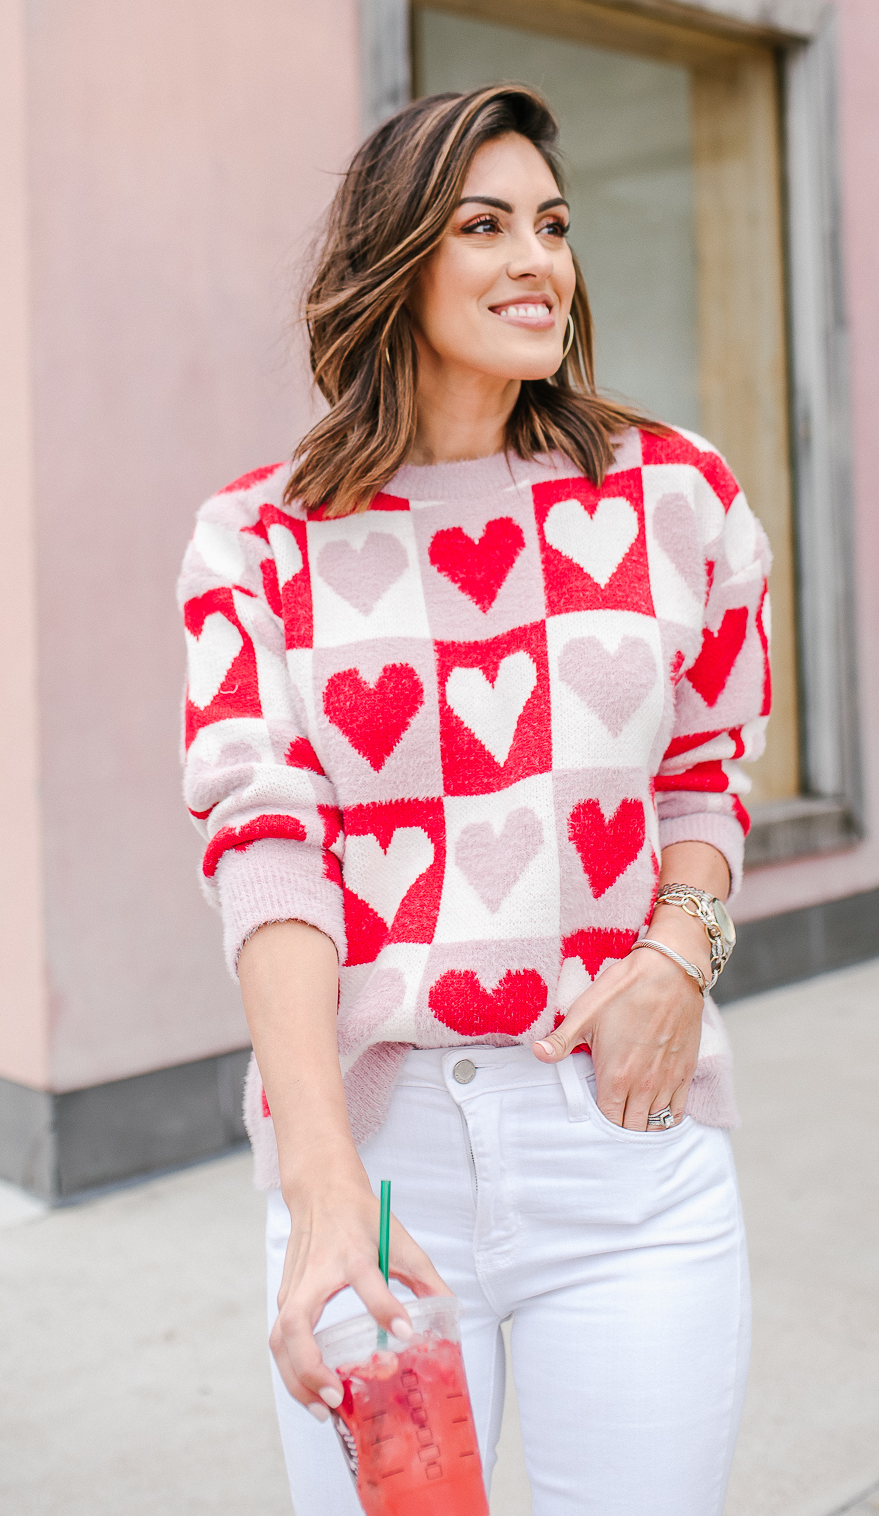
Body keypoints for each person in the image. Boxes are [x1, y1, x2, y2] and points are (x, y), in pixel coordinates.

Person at [179, 85, 770, 1515]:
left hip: (621, 1159)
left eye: (553, 226)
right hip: (375, 1184)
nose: (537, 261)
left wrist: (675, 954)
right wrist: (320, 1184)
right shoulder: (257, 537)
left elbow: (707, 768)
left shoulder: (670, 496)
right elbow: (266, 853)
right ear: (396, 259)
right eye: (484, 225)